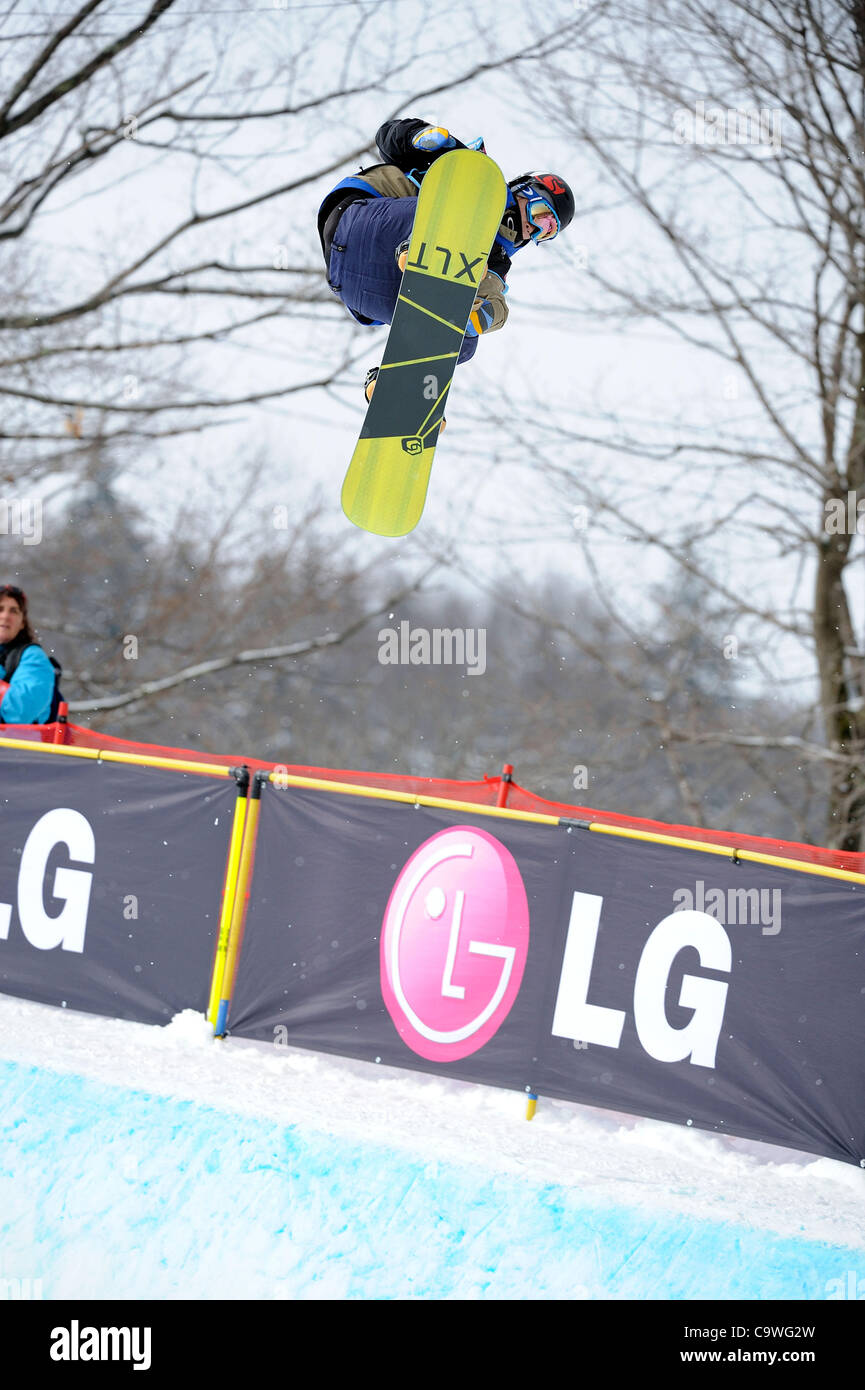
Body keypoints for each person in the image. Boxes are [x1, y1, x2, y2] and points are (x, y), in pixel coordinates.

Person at [317, 118, 575, 400]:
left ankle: (396, 386)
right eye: (542, 216)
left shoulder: (497, 257)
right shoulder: (473, 174)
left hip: (360, 291)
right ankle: (418, 249)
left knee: (465, 343)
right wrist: (420, 137)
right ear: (526, 191)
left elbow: (491, 295)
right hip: (362, 222)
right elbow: (387, 139)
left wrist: (485, 315)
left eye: (547, 232)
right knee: (456, 211)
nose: (535, 229)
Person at [0, 584, 60, 725]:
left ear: (22, 623)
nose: (5, 616)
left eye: (14, 611)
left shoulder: (34, 657)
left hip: (15, 745)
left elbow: (19, 713)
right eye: (0, 609)